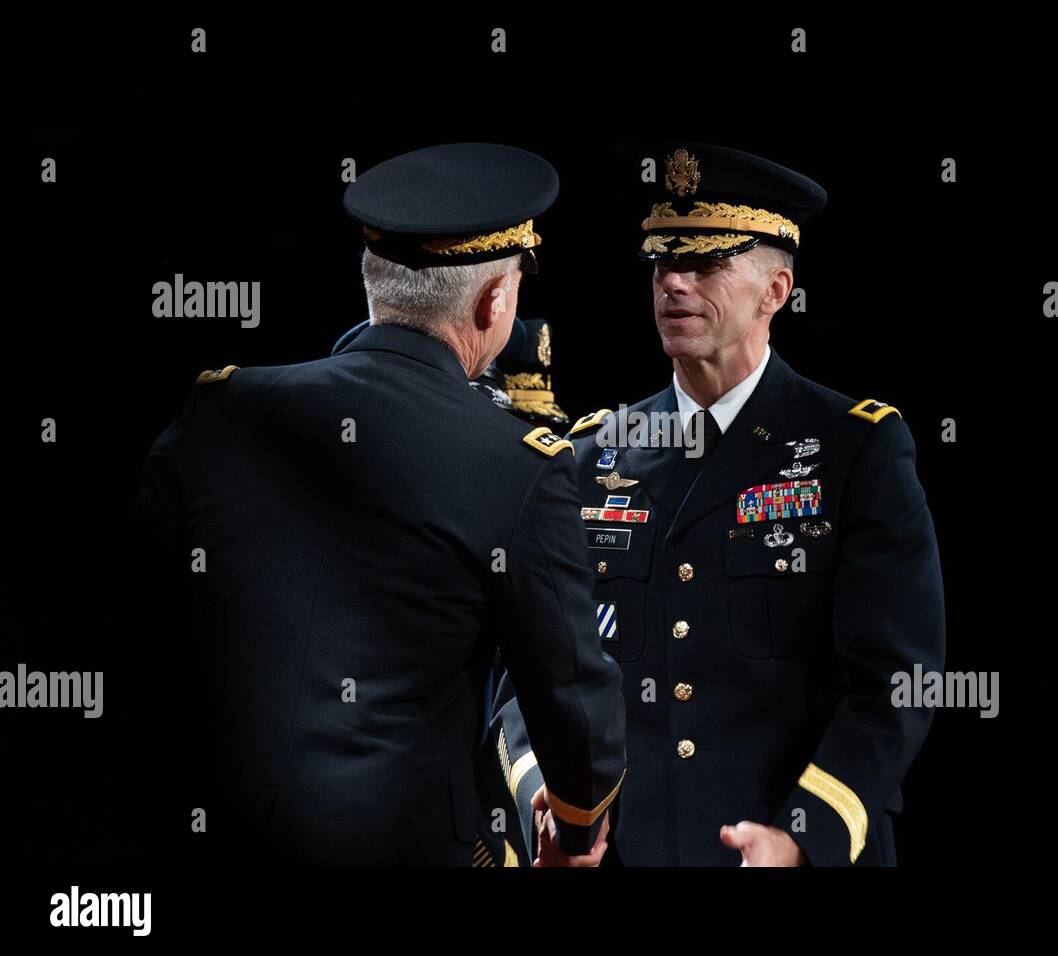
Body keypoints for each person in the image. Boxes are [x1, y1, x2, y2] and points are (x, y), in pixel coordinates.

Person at [135, 143, 625, 865]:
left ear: (374, 280)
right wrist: (579, 826)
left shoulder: (223, 408)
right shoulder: (519, 467)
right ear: (496, 302)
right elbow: (571, 696)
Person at [492, 142, 944, 866]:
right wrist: (546, 799)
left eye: (706, 264)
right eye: (663, 264)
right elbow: (528, 676)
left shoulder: (855, 450)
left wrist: (806, 835)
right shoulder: (586, 459)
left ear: (777, 291)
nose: (674, 283)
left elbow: (899, 680)